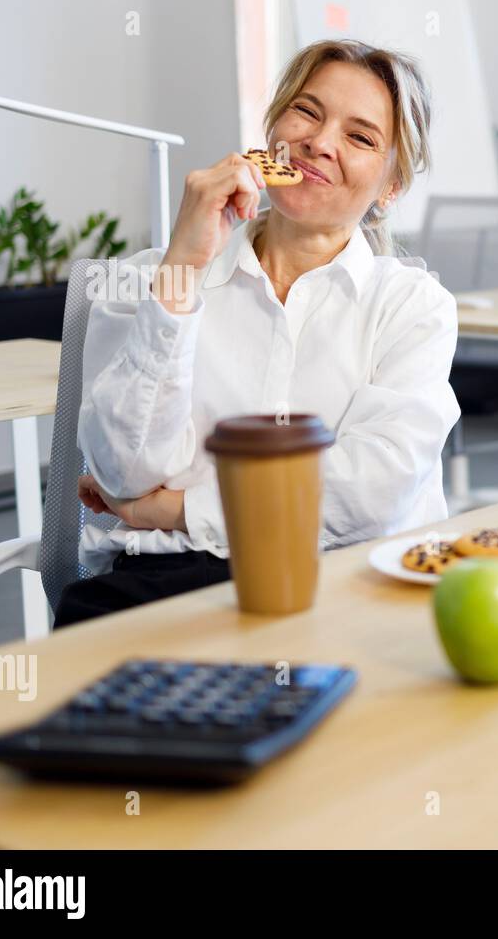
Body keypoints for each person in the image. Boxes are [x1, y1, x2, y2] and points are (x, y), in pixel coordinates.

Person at [55, 40, 459, 625]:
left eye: (361, 137)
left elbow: (373, 492)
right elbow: (124, 471)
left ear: (391, 186)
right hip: (166, 588)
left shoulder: (413, 306)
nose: (320, 143)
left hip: (346, 584)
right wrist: (183, 272)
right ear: (272, 127)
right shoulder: (147, 278)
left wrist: (175, 510)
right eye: (308, 112)